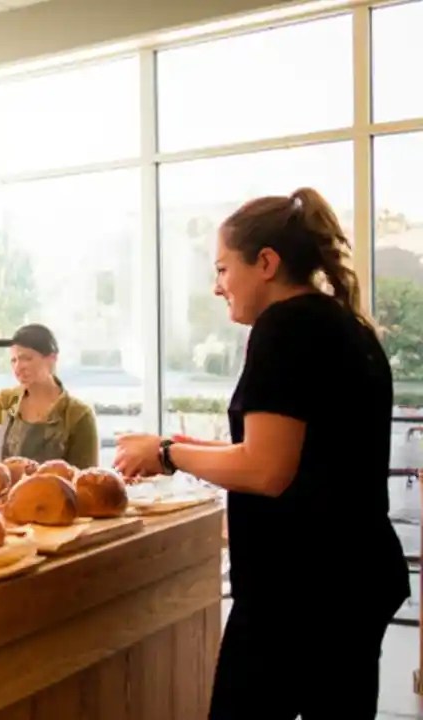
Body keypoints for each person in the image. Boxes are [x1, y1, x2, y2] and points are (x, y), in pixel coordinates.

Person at [114, 187, 409, 719]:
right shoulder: (343, 325)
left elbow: (266, 470)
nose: (217, 285)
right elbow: (294, 454)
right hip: (353, 576)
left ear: (267, 263)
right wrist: (171, 449)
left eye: (224, 269)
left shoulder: (285, 328)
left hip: (301, 592)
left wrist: (166, 451)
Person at [0, 323, 99, 468]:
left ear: (52, 359)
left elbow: (85, 479)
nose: (18, 367)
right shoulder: (2, 403)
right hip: (1, 490)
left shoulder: (78, 415)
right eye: (14, 360)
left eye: (26, 358)